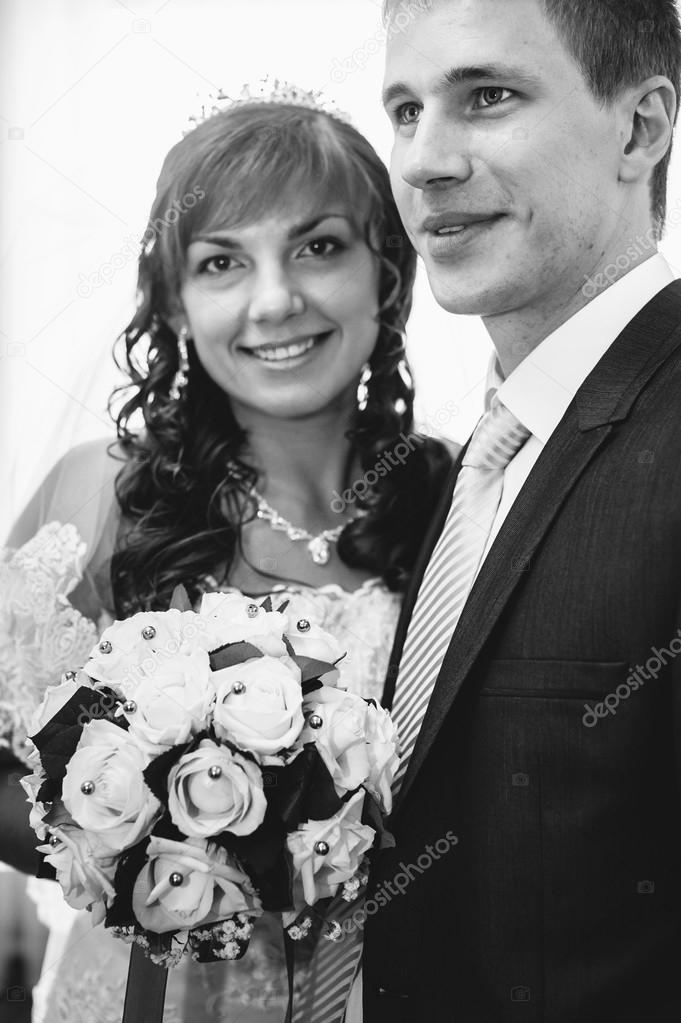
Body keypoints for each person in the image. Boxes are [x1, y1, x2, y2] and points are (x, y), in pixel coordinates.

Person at [0, 87, 452, 1022]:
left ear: (388, 274)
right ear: (173, 298)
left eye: (319, 247)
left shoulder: (453, 494)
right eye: (221, 262)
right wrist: (142, 842)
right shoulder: (102, 495)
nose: (275, 300)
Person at [361, 0, 681, 1021]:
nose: (423, 163)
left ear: (642, 129)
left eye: (487, 97)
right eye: (406, 110)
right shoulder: (474, 459)